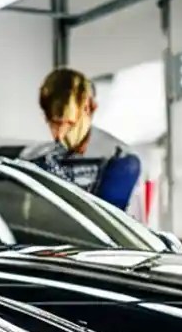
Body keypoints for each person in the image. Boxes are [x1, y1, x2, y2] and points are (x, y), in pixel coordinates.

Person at [21, 67, 148, 223]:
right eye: (54, 125)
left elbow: (106, 223)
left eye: (69, 124)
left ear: (88, 108)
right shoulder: (37, 158)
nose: (61, 135)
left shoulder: (120, 158)